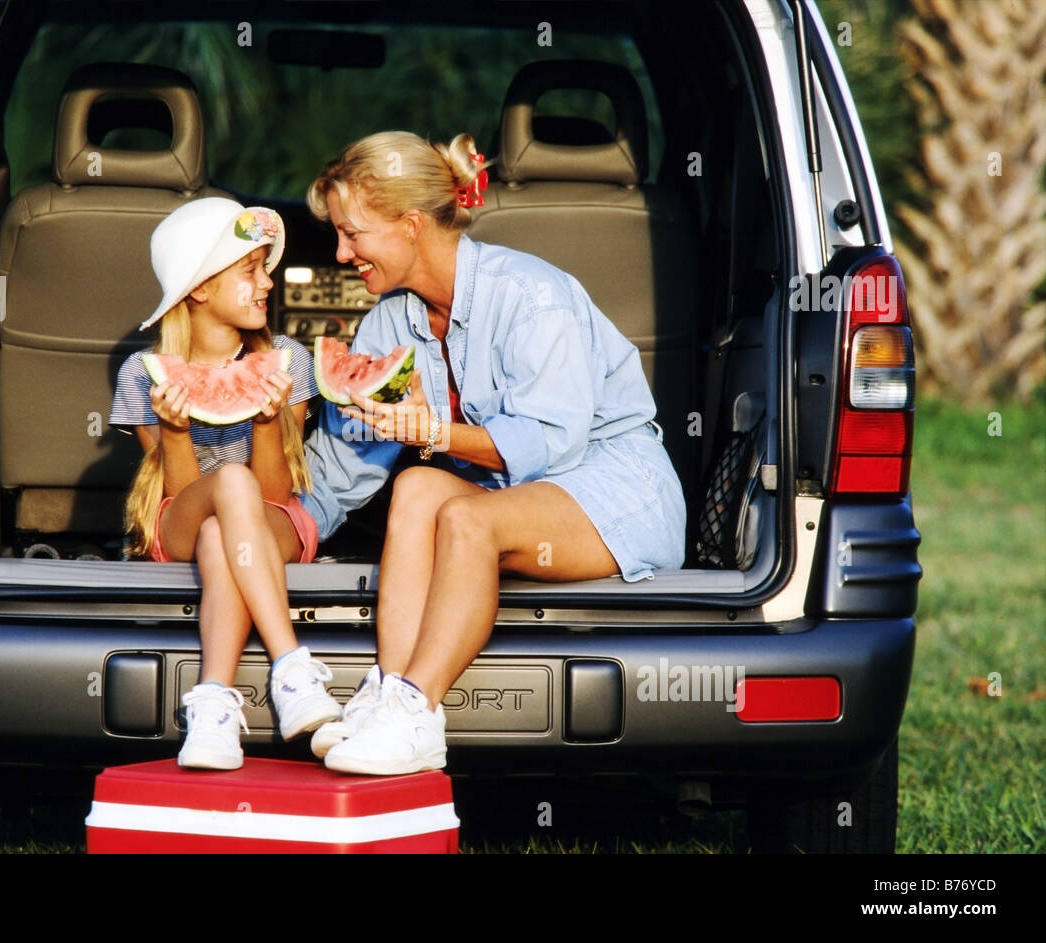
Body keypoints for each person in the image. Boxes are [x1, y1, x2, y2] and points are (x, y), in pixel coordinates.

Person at [299, 131, 687, 775]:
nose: (342, 253)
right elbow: (351, 456)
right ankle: (389, 696)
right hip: (515, 499)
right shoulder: (390, 321)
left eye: (353, 234)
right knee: (419, 490)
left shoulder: (533, 296)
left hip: (613, 488)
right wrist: (286, 519)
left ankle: (419, 709)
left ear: (412, 224)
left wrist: (431, 432)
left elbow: (549, 444)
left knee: (465, 517)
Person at [110, 198, 342, 770]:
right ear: (200, 290)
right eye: (250, 270)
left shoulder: (287, 358)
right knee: (220, 500)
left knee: (227, 524)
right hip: (177, 522)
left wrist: (268, 423)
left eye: (266, 267)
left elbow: (274, 495)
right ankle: (290, 666)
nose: (268, 282)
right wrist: (174, 430)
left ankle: (212, 705)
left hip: (274, 519)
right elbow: (174, 492)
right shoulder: (143, 374)